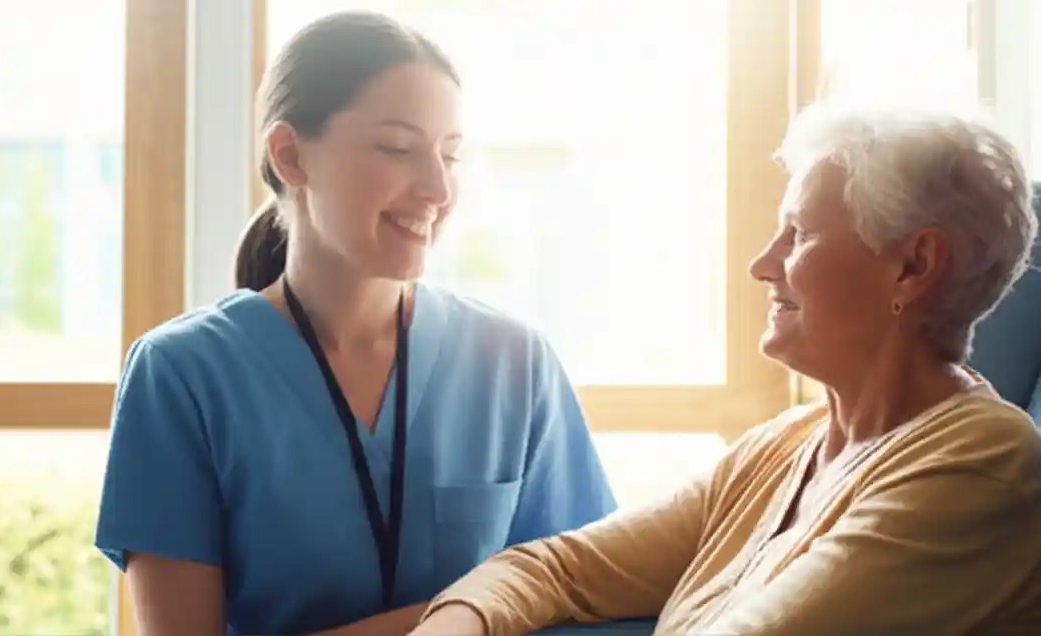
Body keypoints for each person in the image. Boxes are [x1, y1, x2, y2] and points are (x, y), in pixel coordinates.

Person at [413, 104, 1041, 635]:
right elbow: (555, 569)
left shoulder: (980, 463)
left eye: (798, 235)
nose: (763, 265)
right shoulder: (784, 445)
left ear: (914, 265)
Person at [94, 11, 616, 636]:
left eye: (450, 156)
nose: (438, 188)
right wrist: (481, 612)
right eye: (397, 149)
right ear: (290, 156)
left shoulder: (514, 364)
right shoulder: (182, 375)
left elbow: (590, 603)